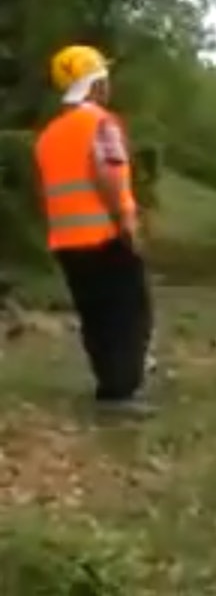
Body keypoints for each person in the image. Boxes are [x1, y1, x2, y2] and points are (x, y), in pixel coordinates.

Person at [34, 44, 154, 417]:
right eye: (105, 78)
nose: (109, 85)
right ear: (95, 85)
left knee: (96, 317)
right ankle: (122, 394)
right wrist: (125, 221)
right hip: (105, 236)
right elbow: (108, 172)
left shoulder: (49, 135)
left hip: (66, 241)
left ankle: (109, 386)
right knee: (129, 313)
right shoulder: (100, 123)